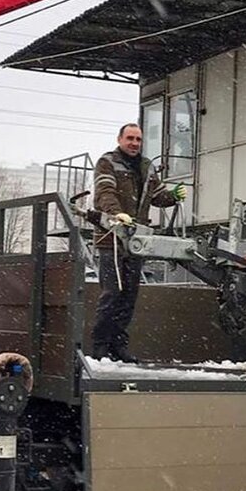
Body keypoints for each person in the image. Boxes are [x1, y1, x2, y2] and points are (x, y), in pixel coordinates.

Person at [90, 123, 185, 362]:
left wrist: (173, 197)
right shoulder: (107, 162)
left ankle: (118, 346)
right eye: (130, 138)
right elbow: (104, 193)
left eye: (138, 139)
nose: (134, 143)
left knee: (129, 296)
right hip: (110, 239)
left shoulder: (146, 166)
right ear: (120, 139)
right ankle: (100, 347)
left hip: (137, 239)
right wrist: (116, 214)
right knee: (112, 293)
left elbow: (158, 196)